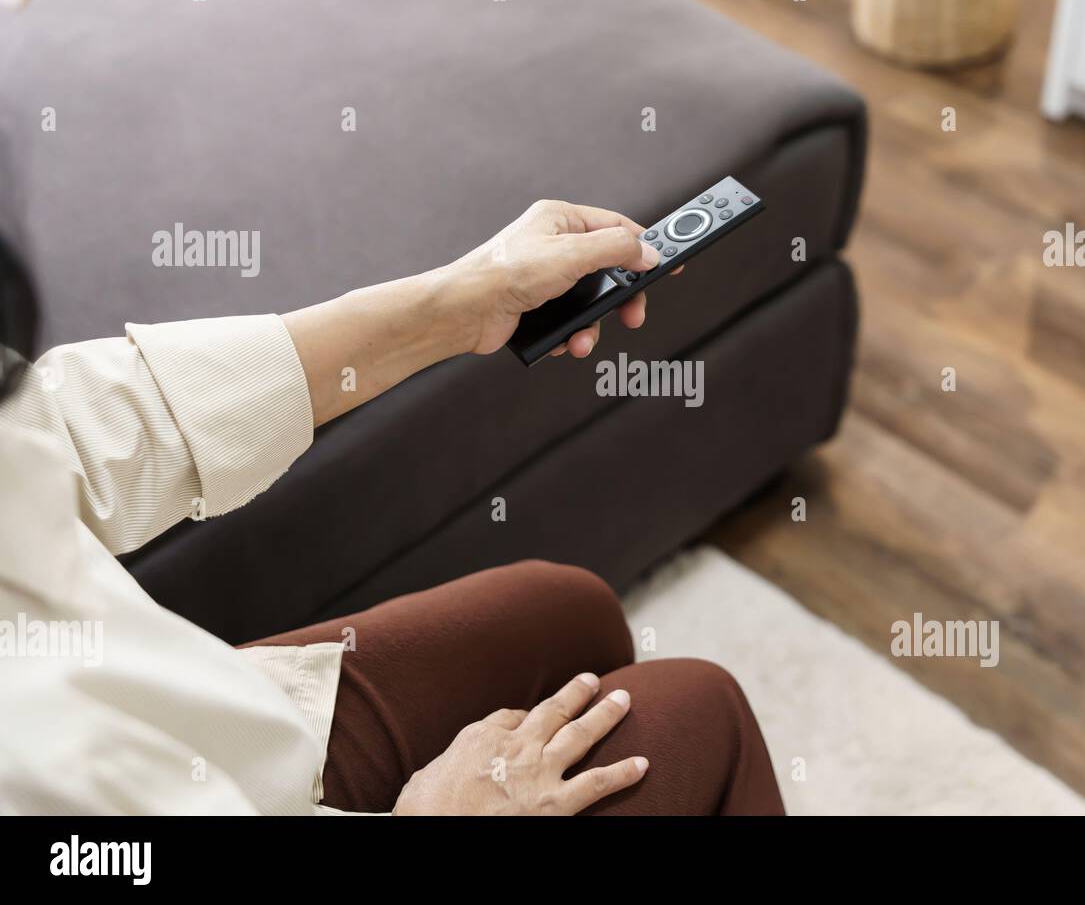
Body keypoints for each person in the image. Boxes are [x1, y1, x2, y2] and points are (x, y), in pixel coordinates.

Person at [0, 203, 786, 815]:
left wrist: (462, 300)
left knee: (564, 613)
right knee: (700, 713)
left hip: (175, 719)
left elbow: (77, 426)